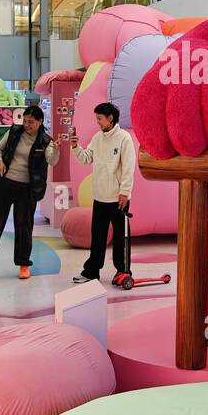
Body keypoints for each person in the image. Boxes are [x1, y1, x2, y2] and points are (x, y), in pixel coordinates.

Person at [0, 106, 58, 282]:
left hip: (27, 189)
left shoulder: (46, 141)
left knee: (24, 227)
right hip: (5, 183)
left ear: (40, 122)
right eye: (24, 121)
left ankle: (23, 264)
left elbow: (52, 160)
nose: (26, 125)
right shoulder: (14, 132)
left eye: (31, 122)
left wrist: (56, 148)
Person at [70, 102, 136, 283]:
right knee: (97, 237)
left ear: (110, 118)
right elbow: (86, 159)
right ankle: (92, 271)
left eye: (99, 118)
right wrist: (75, 147)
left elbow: (128, 168)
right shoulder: (97, 138)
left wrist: (124, 192)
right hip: (100, 197)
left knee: (121, 237)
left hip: (118, 198)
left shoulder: (124, 138)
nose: (97, 122)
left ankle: (123, 271)